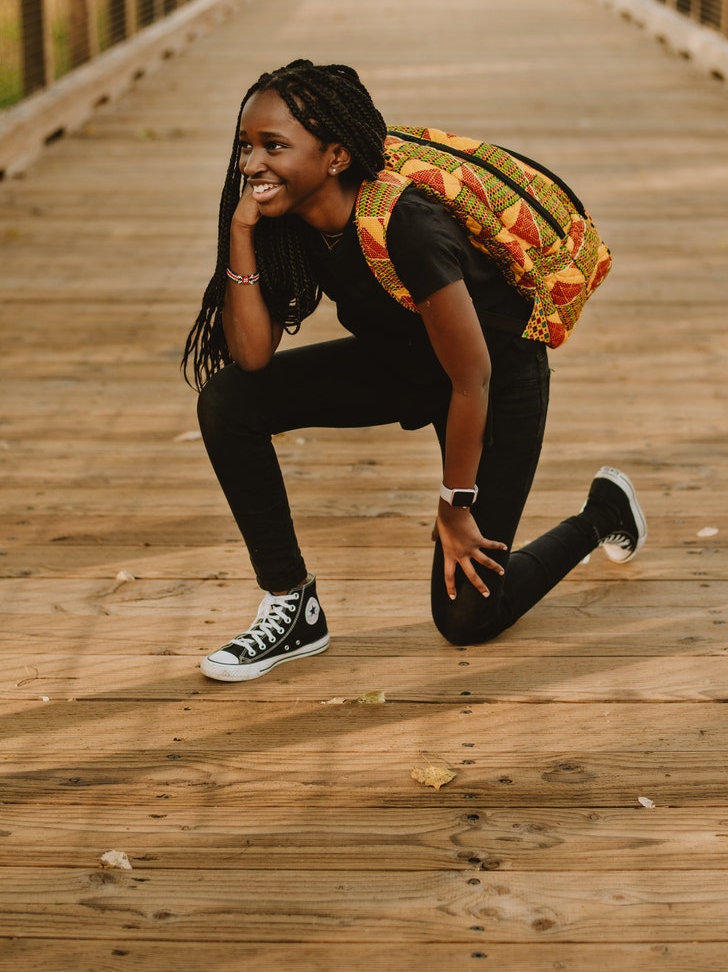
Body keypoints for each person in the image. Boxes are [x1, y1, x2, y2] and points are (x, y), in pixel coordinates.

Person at [183, 59, 646, 683]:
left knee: (467, 618)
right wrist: (241, 231)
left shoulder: (407, 226)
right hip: (400, 363)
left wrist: (455, 508)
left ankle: (602, 515)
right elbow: (253, 356)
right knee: (229, 401)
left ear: (336, 157)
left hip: (494, 382)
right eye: (246, 145)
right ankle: (292, 605)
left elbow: (471, 378)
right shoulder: (282, 215)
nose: (251, 164)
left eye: (274, 146)